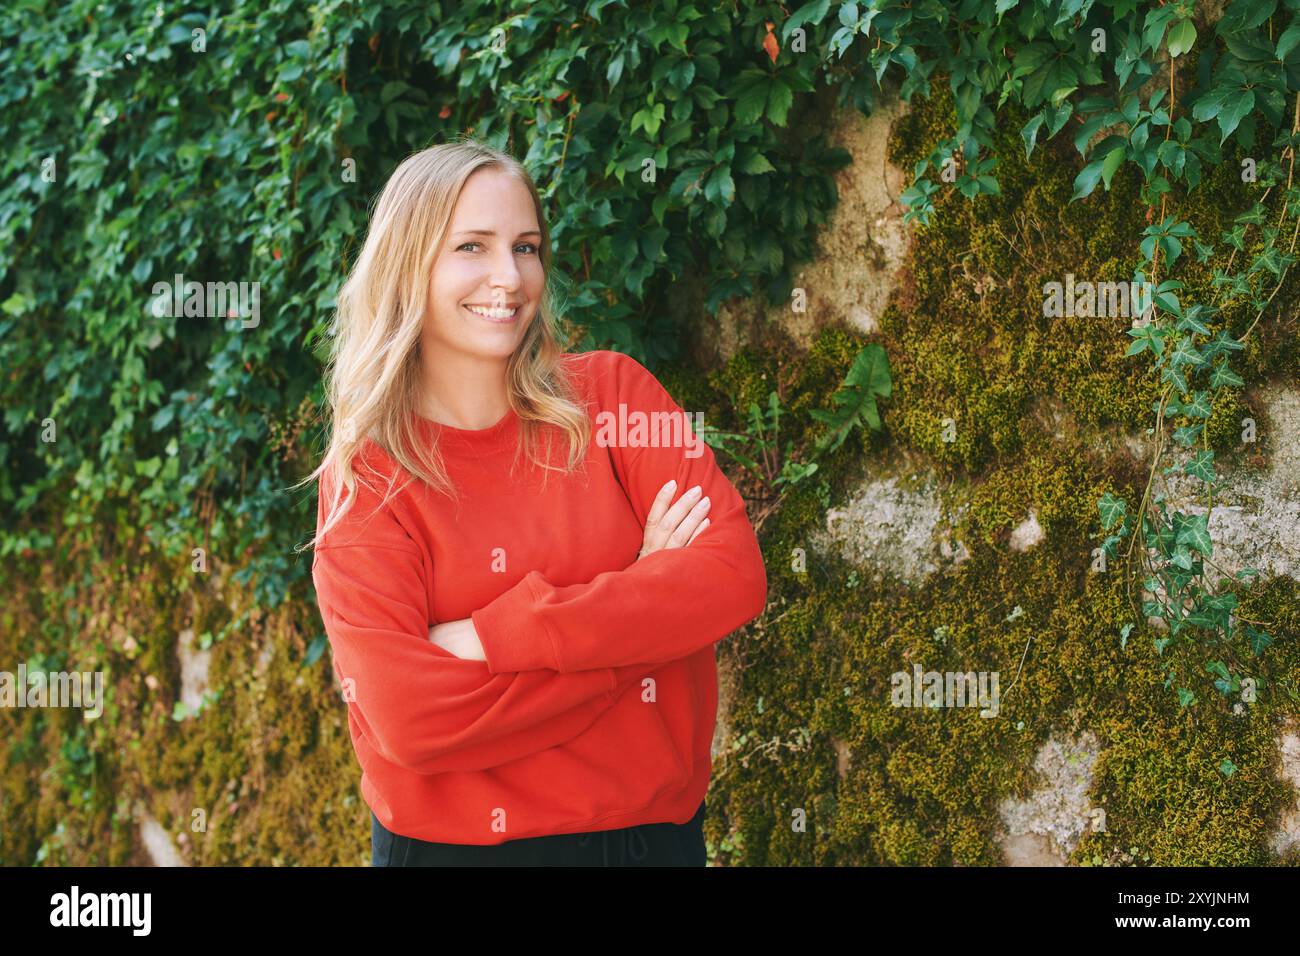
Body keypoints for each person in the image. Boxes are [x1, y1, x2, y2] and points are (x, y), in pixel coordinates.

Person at [296, 136, 768, 866]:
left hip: (647, 843)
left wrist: (494, 636)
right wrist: (641, 621)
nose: (508, 277)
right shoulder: (371, 475)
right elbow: (410, 720)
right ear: (406, 266)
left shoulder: (613, 398)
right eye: (472, 248)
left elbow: (732, 577)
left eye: (525, 246)